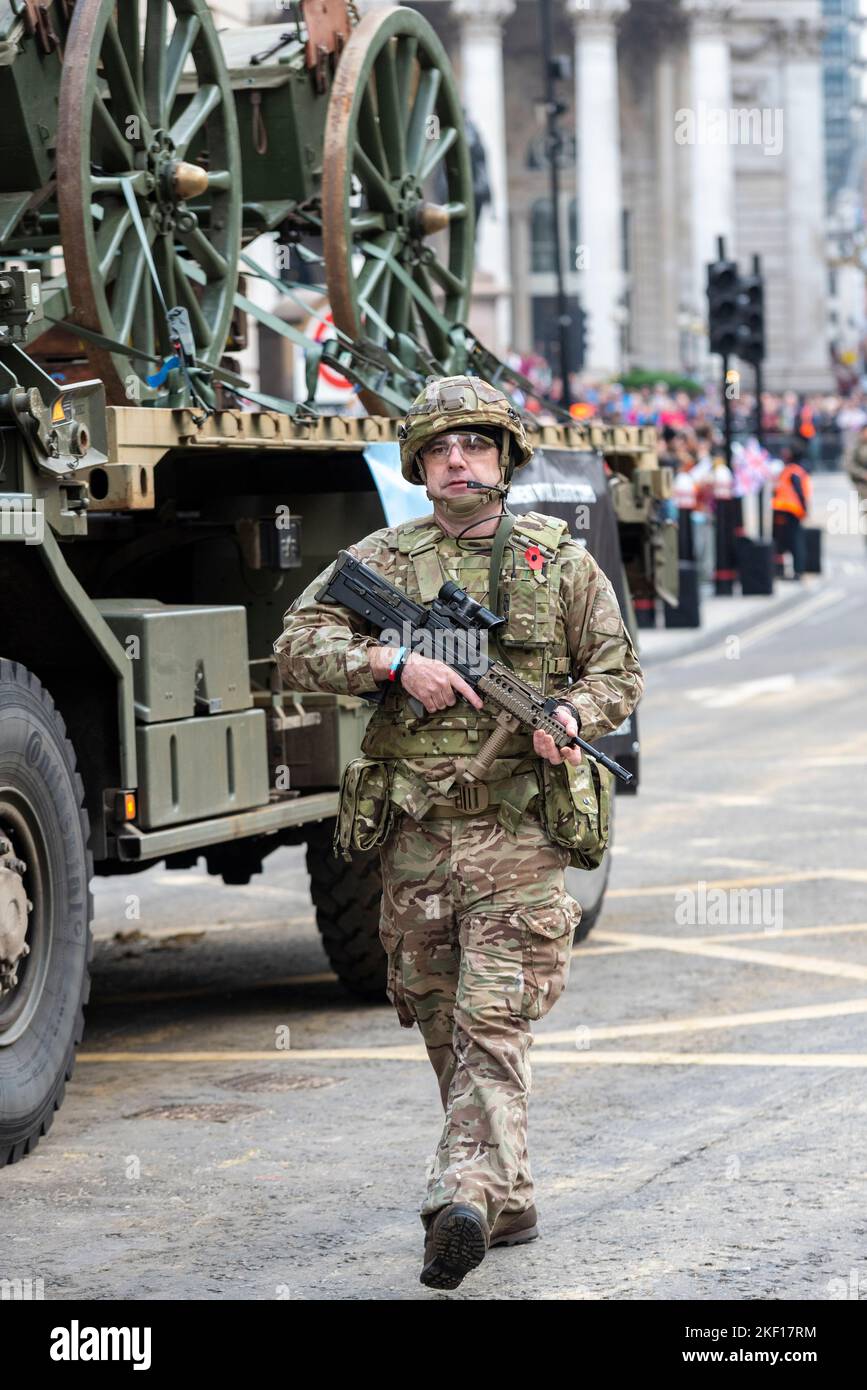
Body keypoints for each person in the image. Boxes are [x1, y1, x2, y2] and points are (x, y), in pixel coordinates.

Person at [273, 375, 644, 1290]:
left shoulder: (557, 565)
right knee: (438, 1013)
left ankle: (465, 1194)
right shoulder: (383, 561)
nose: (457, 462)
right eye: (440, 450)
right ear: (420, 467)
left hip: (517, 832)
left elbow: (618, 673)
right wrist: (391, 660)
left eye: (475, 446)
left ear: (504, 459)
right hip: (414, 833)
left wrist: (568, 715)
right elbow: (295, 644)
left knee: (491, 1015)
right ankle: (508, 1192)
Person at [772, 445, 812, 579]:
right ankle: (782, 570)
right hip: (785, 510)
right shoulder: (792, 470)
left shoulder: (793, 471)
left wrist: (804, 509)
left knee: (793, 541)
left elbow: (799, 491)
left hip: (790, 511)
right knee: (783, 541)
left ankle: (797, 571)